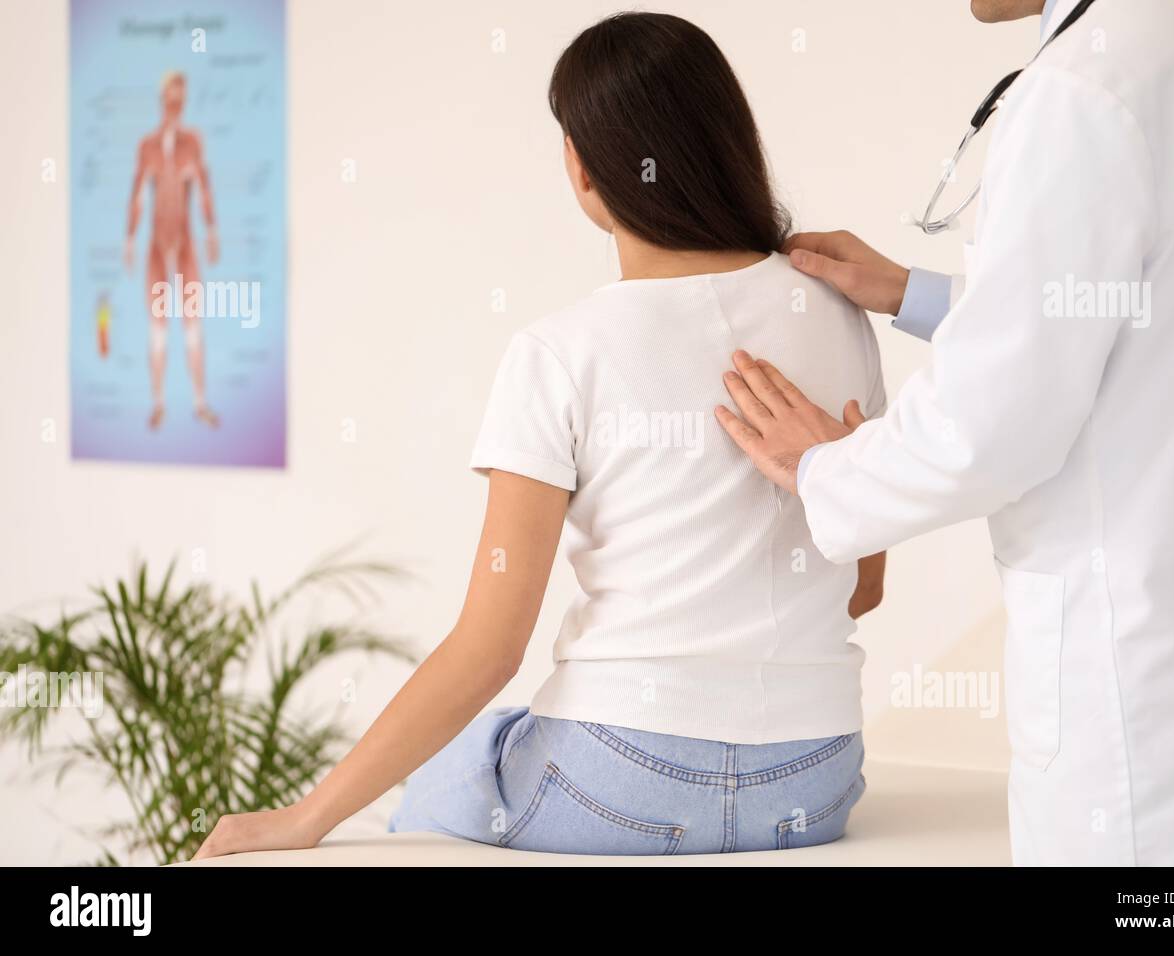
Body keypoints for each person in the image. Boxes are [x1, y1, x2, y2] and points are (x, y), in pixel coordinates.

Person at [194, 12, 887, 859]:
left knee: (452, 771)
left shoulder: (559, 353)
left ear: (583, 170)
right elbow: (862, 589)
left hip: (623, 775)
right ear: (729, 140)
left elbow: (491, 648)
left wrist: (302, 819)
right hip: (814, 780)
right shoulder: (844, 316)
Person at [716, 0, 1174, 865]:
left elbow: (995, 427)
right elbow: (1163, 319)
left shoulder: (1077, 86)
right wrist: (916, 293)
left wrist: (828, 469)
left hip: (1137, 668)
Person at [125, 71, 220, 431]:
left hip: (184, 243)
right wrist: (129, 238)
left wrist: (211, 230)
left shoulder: (192, 143)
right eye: (170, 99)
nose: (175, 106)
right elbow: (136, 194)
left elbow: (205, 187)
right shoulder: (146, 146)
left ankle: (199, 402)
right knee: (158, 329)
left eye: (181, 100)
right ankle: (159, 402)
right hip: (155, 244)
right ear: (161, 100)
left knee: (193, 326)